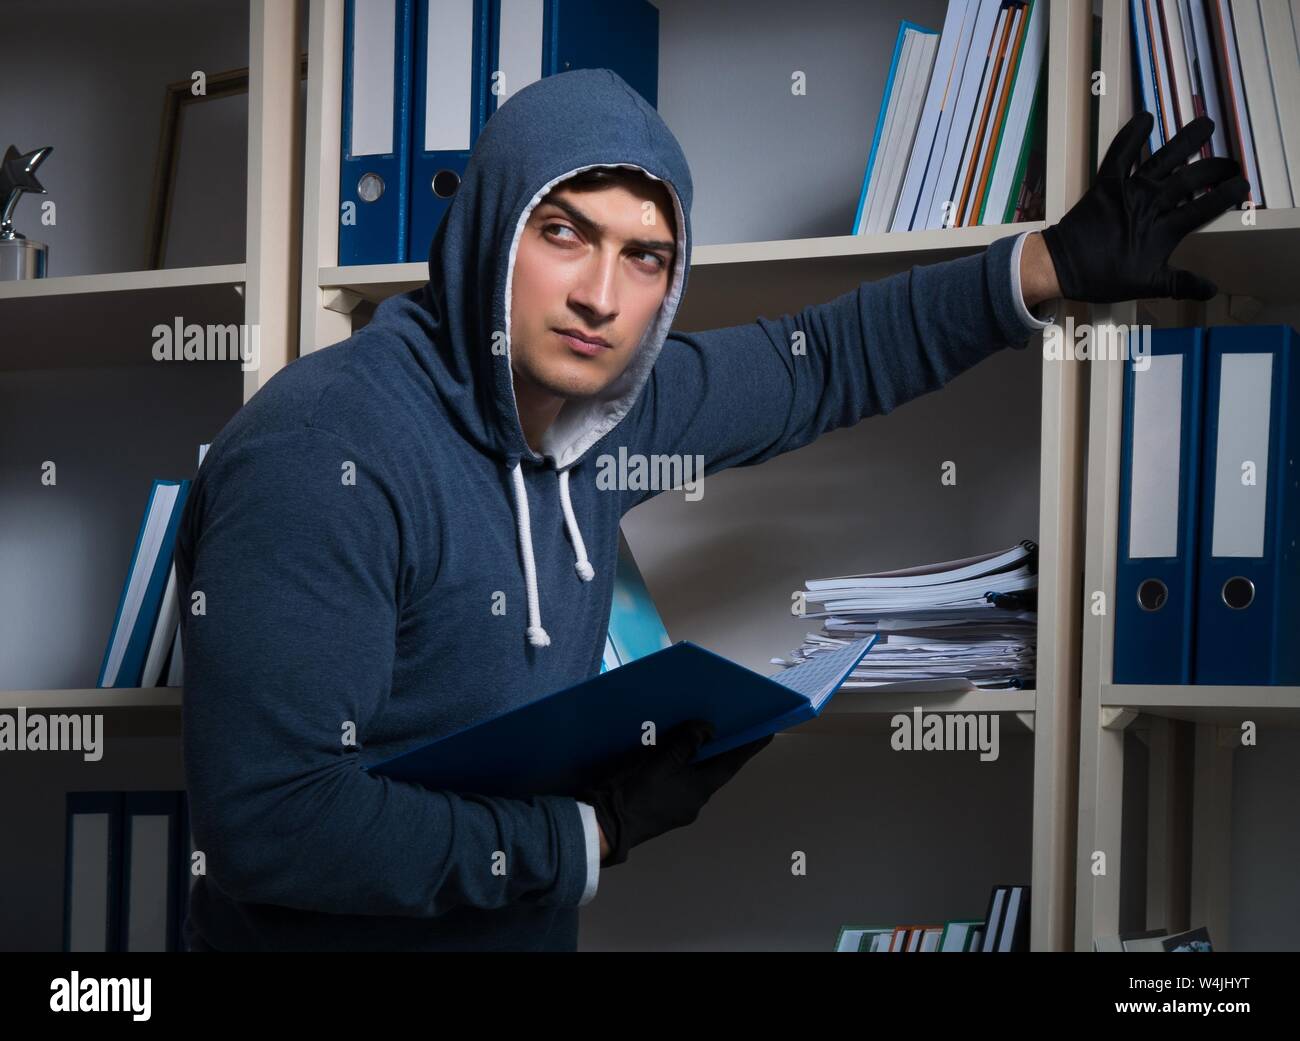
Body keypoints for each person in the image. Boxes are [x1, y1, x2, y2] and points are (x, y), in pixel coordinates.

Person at [174, 68, 1245, 952]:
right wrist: (584, 837)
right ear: (489, 229)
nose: (600, 294)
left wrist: (1047, 265)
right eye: (563, 234)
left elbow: (821, 362)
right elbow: (273, 825)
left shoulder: (607, 404)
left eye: (643, 257)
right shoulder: (324, 451)